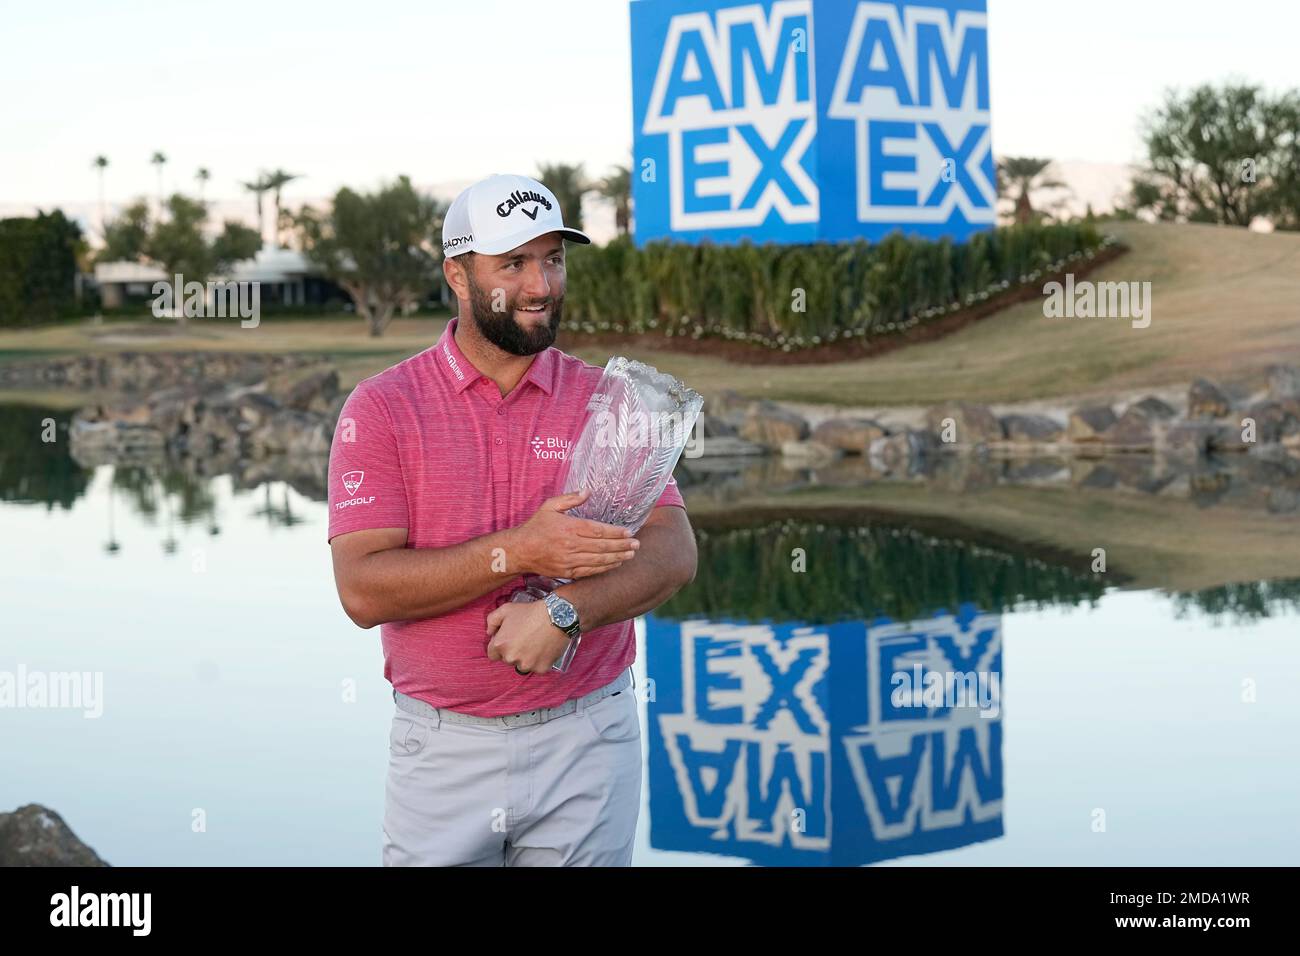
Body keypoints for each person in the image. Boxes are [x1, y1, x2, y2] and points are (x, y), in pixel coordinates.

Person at [326, 173, 697, 866]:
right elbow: (363, 591)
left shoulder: (606, 398)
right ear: (458, 276)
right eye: (514, 263)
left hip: (587, 739)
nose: (541, 285)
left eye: (553, 259)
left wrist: (565, 612)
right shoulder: (382, 407)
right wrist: (520, 550)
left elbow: (672, 554)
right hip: (443, 751)